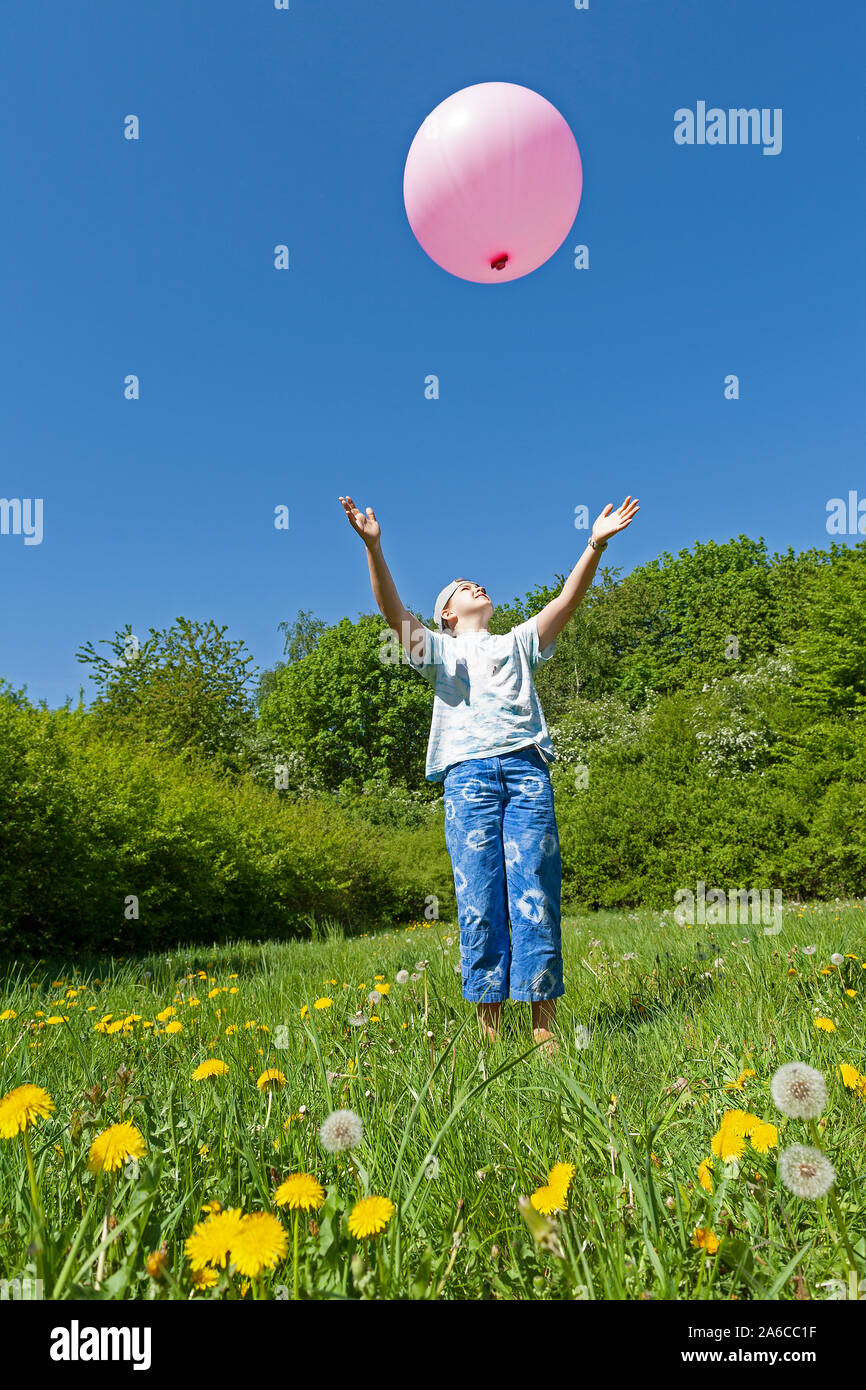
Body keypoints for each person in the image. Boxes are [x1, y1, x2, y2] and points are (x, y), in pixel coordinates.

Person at [338, 494, 639, 1056]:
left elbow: (567, 599)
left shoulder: (518, 642)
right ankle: (490, 1039)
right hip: (468, 780)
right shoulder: (436, 653)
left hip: (527, 774)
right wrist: (374, 547)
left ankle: (544, 1034)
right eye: (460, 588)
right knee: (479, 899)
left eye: (475, 582)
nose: (474, 586)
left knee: (535, 896)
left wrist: (594, 544)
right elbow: (393, 613)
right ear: (447, 615)